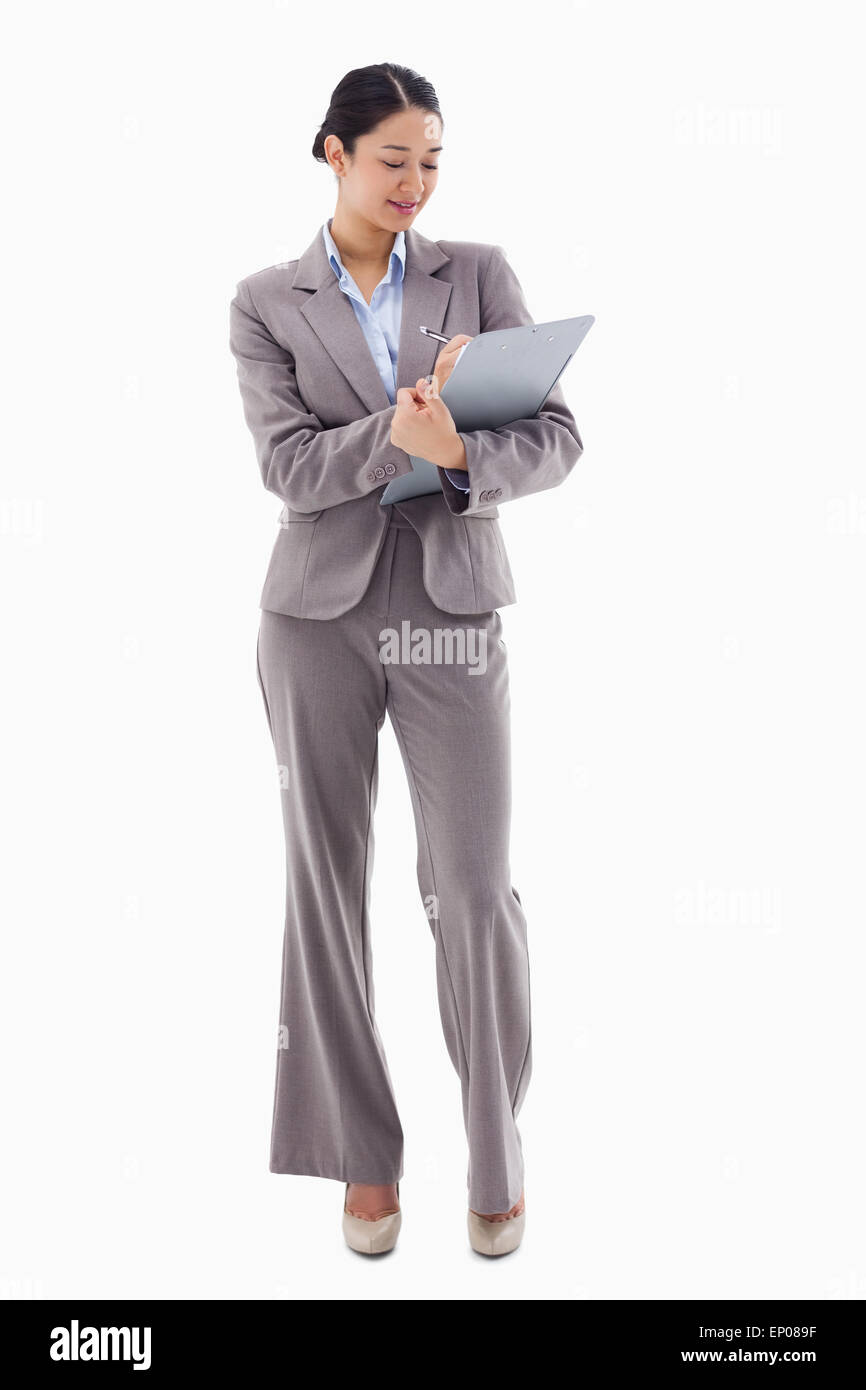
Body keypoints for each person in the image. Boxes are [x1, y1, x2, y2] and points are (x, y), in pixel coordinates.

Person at [228, 62, 584, 1257]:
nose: (415, 184)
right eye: (393, 160)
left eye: (431, 159)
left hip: (452, 605)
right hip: (313, 620)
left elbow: (555, 434)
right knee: (324, 887)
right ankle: (361, 1159)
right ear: (332, 153)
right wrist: (399, 433)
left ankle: (494, 1146)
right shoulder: (265, 300)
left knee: (472, 888)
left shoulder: (475, 271)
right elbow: (285, 467)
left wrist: (468, 458)